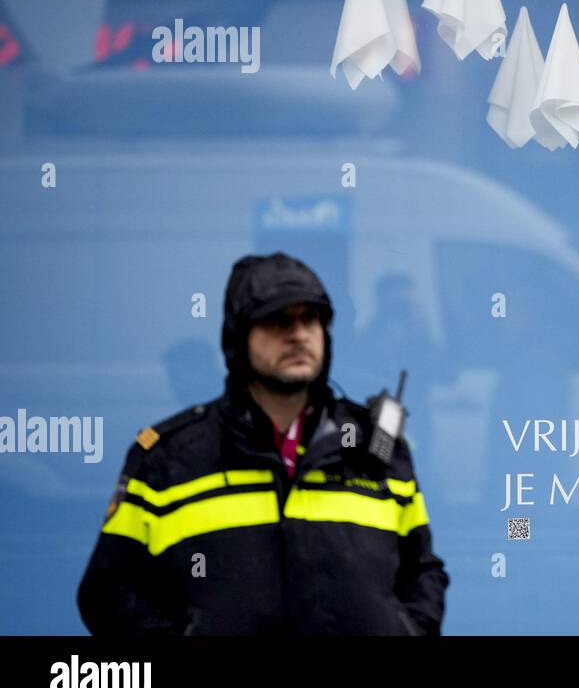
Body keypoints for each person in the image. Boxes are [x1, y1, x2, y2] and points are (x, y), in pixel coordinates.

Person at [76, 252, 450, 635]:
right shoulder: (171, 458)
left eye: (310, 319)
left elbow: (422, 570)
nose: (299, 334)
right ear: (239, 337)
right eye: (277, 320)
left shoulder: (377, 448)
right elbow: (109, 591)